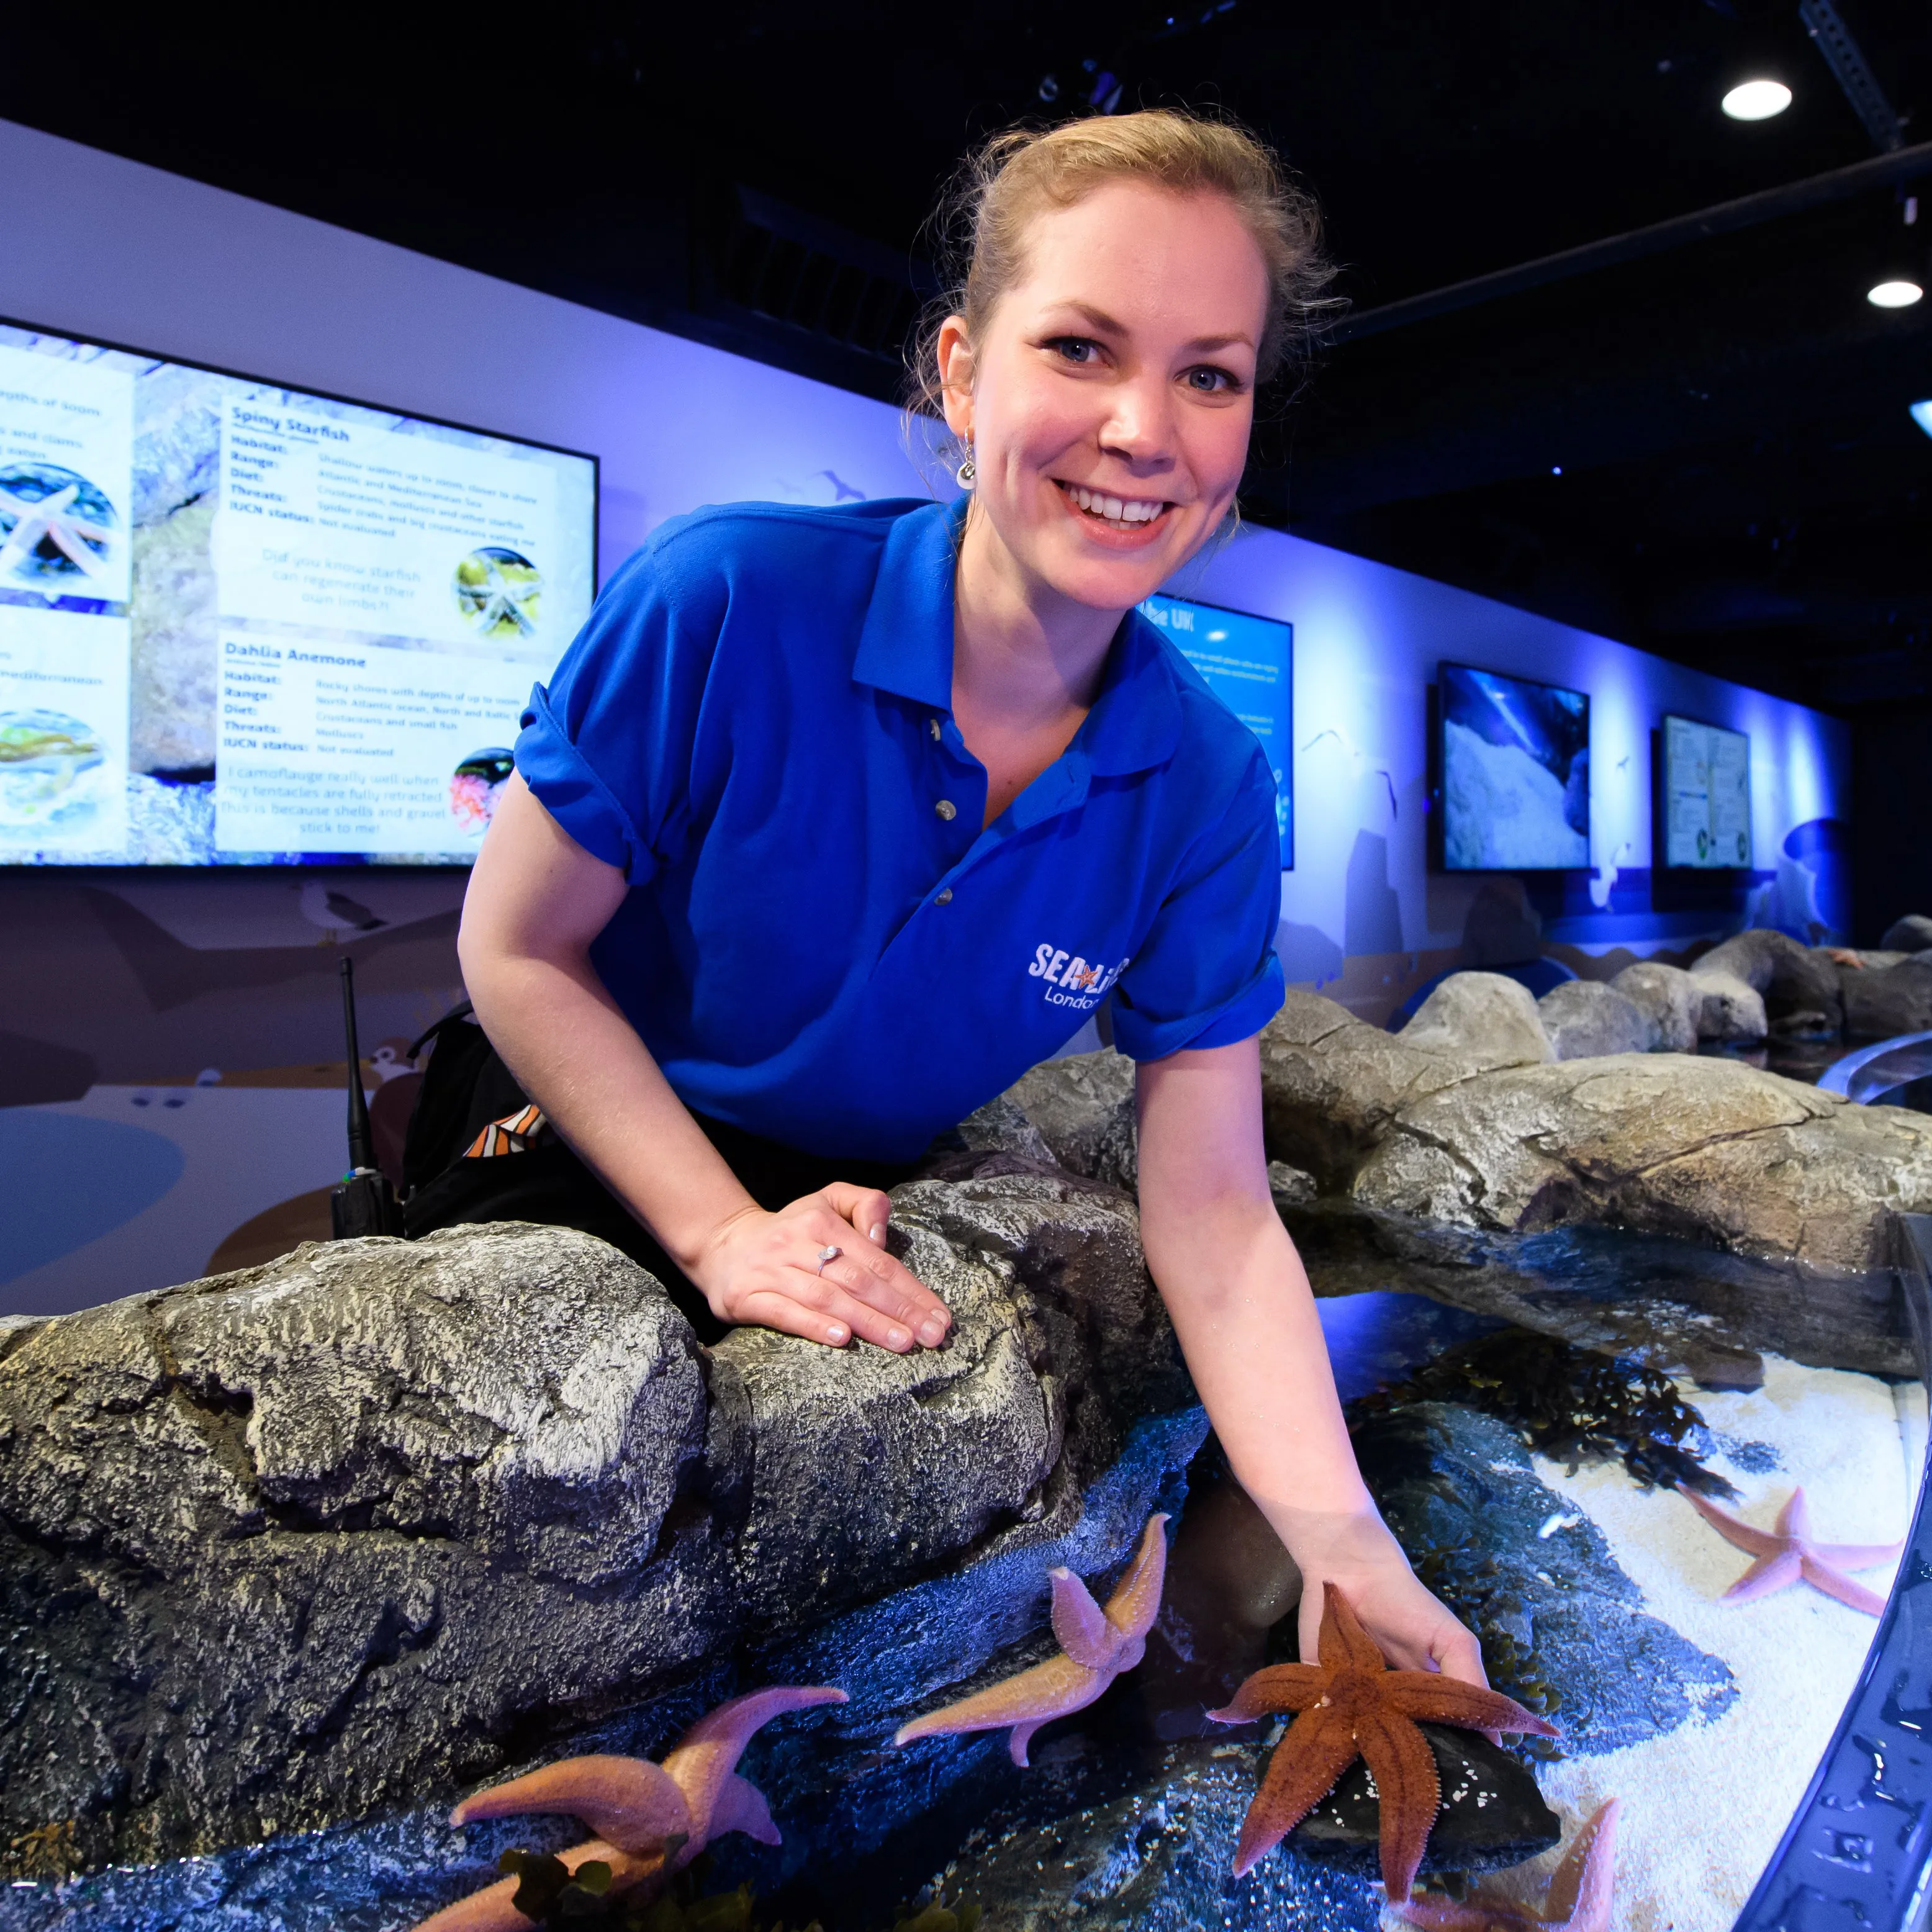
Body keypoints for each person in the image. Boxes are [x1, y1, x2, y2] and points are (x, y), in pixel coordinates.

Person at [446, 109, 1486, 1686]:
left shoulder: (1203, 781)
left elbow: (1208, 1201)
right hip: (579, 1126)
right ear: (958, 369)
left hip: (870, 1185)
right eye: (1079, 346)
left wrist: (1340, 1537)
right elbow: (515, 946)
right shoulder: (724, 592)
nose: (1143, 427)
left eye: (1208, 374)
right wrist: (722, 1230)